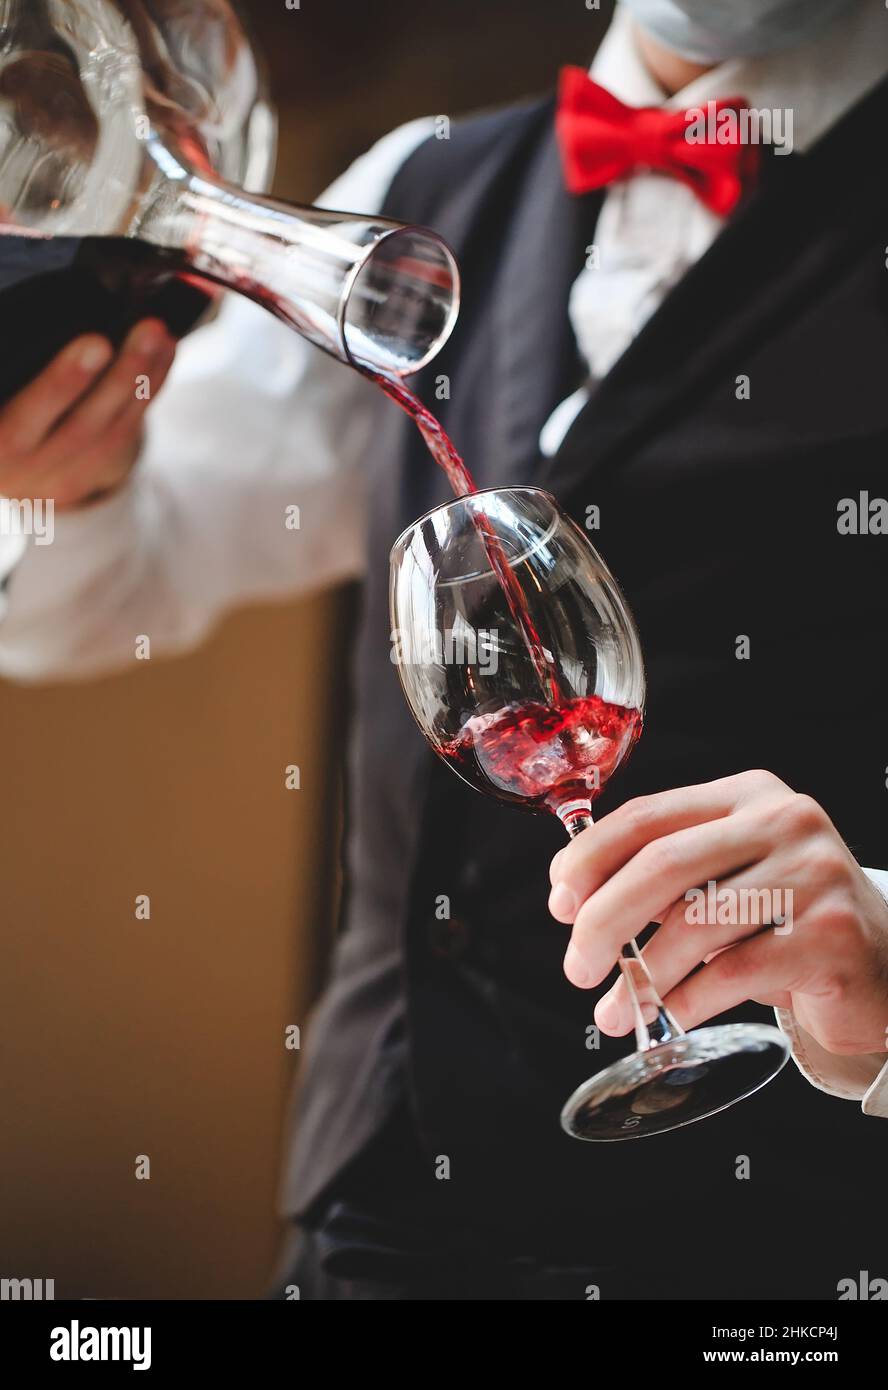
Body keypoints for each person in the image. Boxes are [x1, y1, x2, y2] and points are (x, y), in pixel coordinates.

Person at [1, 0, 887, 1299]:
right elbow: (127, 573)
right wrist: (53, 483)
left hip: (783, 1256)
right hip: (383, 1227)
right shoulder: (417, 188)